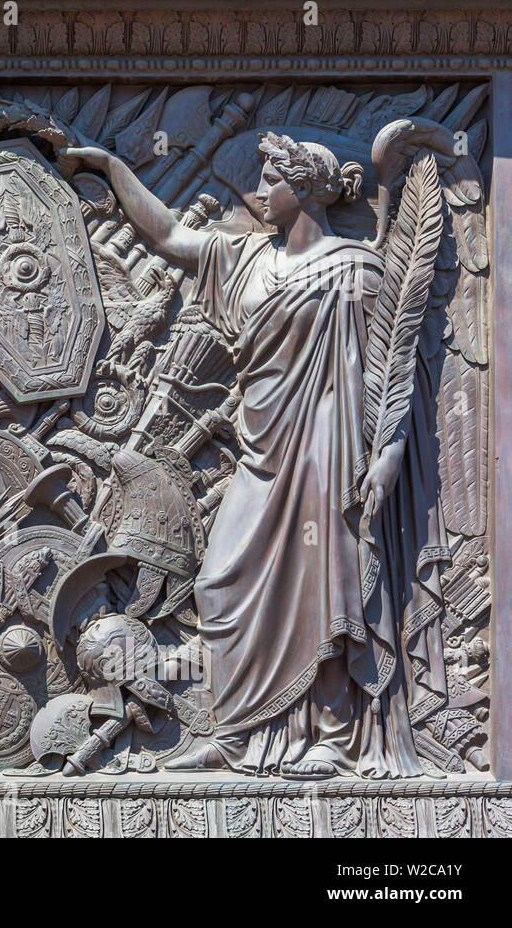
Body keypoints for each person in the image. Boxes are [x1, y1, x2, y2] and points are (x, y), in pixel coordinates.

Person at [62, 132, 442, 778]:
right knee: (218, 581)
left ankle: (332, 731)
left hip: (328, 450)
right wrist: (109, 163)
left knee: (328, 582)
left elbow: (387, 367)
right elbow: (170, 237)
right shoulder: (244, 261)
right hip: (261, 451)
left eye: (272, 179)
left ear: (307, 186)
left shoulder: (355, 268)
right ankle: (240, 734)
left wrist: (390, 450)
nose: (261, 191)